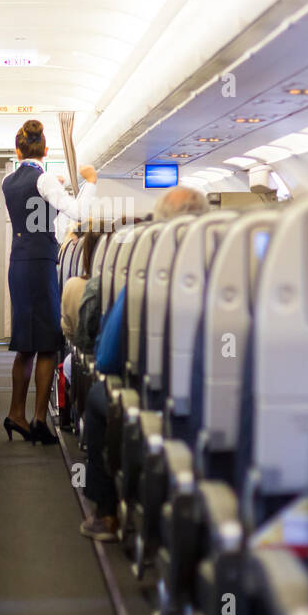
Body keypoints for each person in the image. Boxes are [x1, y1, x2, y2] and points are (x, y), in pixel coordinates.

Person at [78, 185, 207, 541]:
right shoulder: (242, 273)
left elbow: (106, 358)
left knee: (98, 399)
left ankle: (106, 513)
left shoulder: (145, 276)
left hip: (162, 411)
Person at [1, 119, 96, 445]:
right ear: (47, 150)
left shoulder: (8, 181)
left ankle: (17, 413)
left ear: (17, 149)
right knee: (48, 343)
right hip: (41, 264)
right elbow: (79, 211)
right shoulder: (44, 181)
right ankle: (39, 420)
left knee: (25, 343)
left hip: (18, 264)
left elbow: (33, 206)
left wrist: (51, 184)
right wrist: (90, 182)